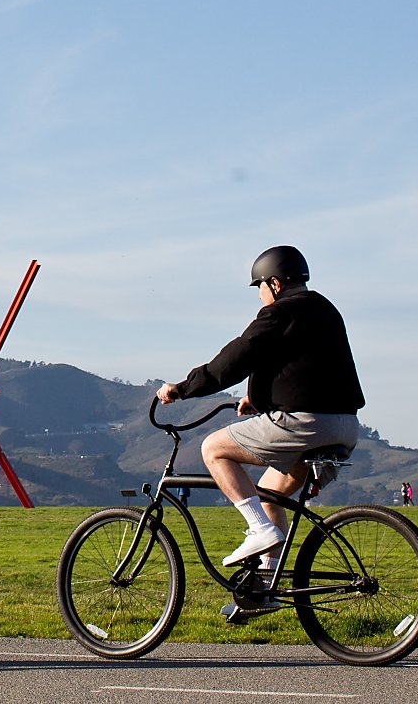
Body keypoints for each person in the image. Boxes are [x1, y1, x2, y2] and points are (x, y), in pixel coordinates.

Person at [154, 246, 365, 584]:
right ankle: (265, 588)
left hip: (306, 424)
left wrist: (183, 387)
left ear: (275, 283)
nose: (260, 297)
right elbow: (305, 368)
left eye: (260, 288)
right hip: (345, 425)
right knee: (269, 495)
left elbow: (235, 359)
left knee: (213, 448)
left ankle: (257, 529)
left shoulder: (281, 312)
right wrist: (260, 399)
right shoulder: (324, 308)